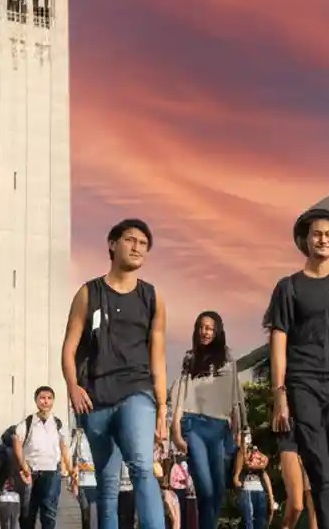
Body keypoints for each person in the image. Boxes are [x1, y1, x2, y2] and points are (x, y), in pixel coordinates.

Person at [266, 208, 329, 529]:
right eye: (316, 234)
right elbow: (278, 342)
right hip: (303, 381)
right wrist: (280, 392)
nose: (322, 239)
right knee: (317, 463)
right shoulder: (289, 287)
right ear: (305, 241)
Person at [61, 219, 168, 529]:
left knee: (141, 466)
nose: (137, 247)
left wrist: (162, 408)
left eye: (144, 244)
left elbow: (157, 358)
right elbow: (69, 347)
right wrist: (73, 387)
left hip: (138, 391)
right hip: (95, 399)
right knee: (107, 487)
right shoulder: (88, 293)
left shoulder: (152, 298)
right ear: (112, 244)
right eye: (130, 240)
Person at [171, 311, 245, 529]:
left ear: (217, 331)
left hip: (220, 427)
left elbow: (234, 395)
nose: (205, 332)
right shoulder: (190, 358)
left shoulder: (227, 359)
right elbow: (180, 396)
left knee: (218, 490)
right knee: (205, 487)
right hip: (194, 425)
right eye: (202, 327)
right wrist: (176, 431)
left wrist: (238, 428)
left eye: (210, 328)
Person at [14, 386, 74, 529]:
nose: (45, 401)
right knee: (28, 513)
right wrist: (24, 466)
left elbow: (64, 447)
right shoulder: (28, 423)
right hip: (31, 473)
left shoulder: (58, 424)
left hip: (52, 472)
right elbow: (17, 444)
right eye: (42, 398)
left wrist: (71, 471)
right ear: (36, 401)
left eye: (49, 398)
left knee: (49, 513)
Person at [232, 443, 275, 529]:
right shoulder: (241, 466)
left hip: (260, 492)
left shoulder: (261, 471)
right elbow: (242, 456)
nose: (252, 456)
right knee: (248, 520)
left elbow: (266, 478)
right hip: (247, 491)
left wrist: (271, 498)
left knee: (260, 521)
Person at [70, 427, 98, 529]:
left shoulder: (102, 431)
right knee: (86, 516)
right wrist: (73, 479)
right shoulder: (79, 435)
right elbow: (70, 455)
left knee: (94, 517)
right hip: (83, 482)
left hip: (97, 482)